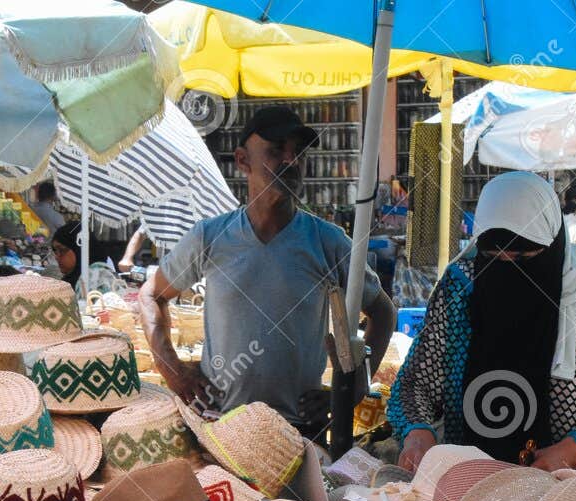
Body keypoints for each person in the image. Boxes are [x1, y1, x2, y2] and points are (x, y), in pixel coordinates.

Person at [141, 105, 396, 434]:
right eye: (276, 151)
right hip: (219, 428)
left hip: (299, 431)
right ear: (243, 160)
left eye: (298, 153)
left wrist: (353, 389)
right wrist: (171, 368)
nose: (291, 162)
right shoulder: (210, 237)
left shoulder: (327, 241)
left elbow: (383, 312)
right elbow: (151, 294)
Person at [387, 171, 576, 485]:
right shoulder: (461, 285)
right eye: (493, 257)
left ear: (552, 243)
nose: (507, 267)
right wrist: (417, 431)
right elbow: (416, 384)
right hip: (468, 490)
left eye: (523, 255)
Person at [51, 219, 82, 289]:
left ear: (78, 251)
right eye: (55, 251)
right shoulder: (68, 282)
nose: (56, 257)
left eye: (61, 250)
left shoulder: (91, 284)